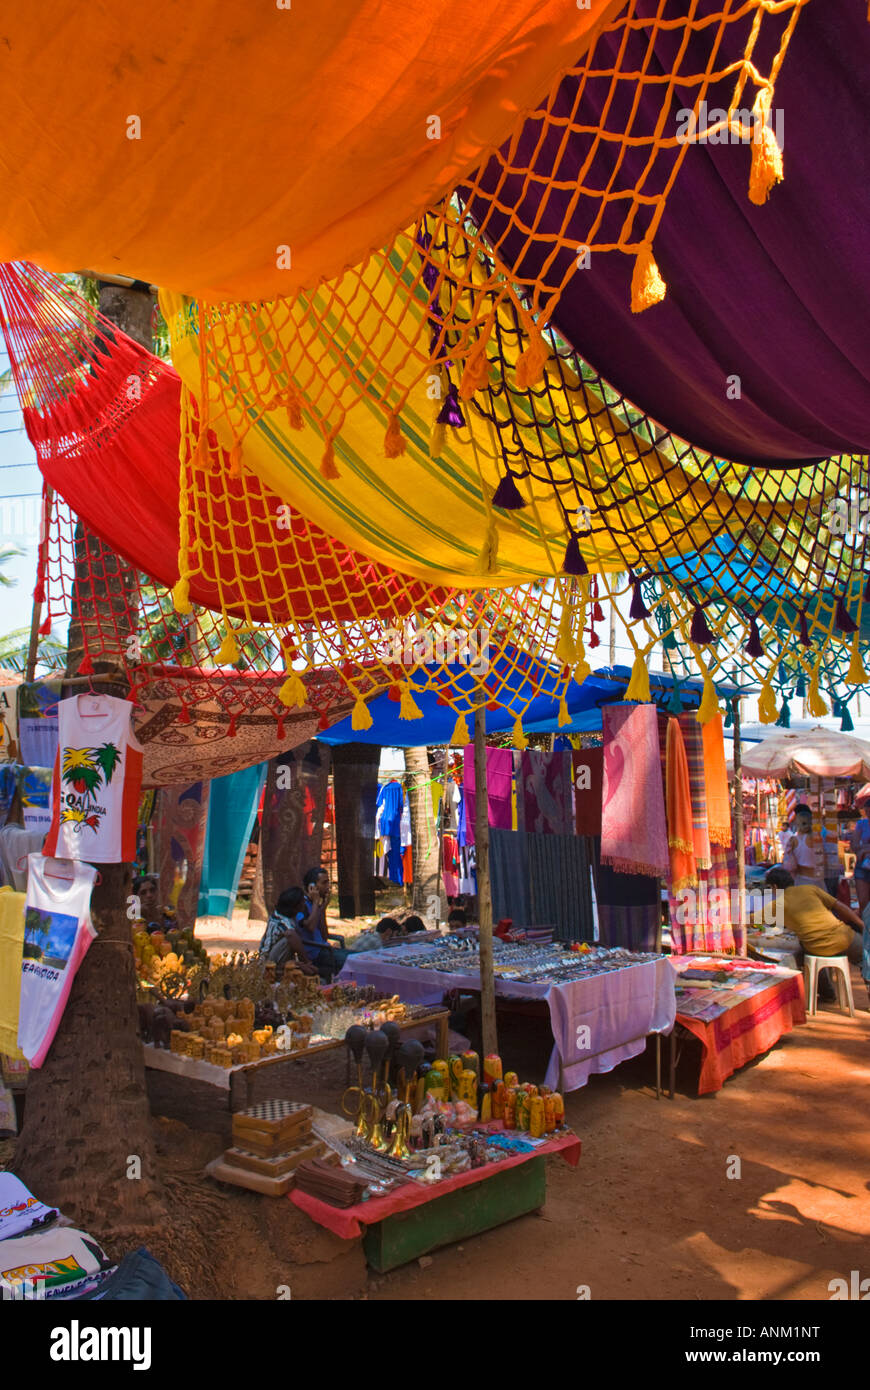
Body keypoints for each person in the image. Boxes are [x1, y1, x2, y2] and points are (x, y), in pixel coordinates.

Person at [765, 867, 864, 965]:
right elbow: (840, 907)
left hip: (818, 949)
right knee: (865, 958)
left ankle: (822, 980)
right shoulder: (810, 889)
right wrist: (862, 924)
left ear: (775, 887)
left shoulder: (777, 905)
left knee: (808, 959)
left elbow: (754, 919)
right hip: (844, 938)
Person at [298, 866, 347, 981]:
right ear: (312, 887)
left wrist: (322, 908)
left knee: (359, 956)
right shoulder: (302, 905)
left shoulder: (315, 906)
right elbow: (310, 927)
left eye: (328, 882)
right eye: (324, 883)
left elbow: (324, 935)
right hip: (315, 954)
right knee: (353, 961)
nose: (328, 886)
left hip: (325, 949)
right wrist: (316, 903)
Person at [258, 887, 319, 975]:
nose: (304, 903)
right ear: (295, 906)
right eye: (302, 901)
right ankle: (305, 964)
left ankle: (297, 965)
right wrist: (306, 962)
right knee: (290, 936)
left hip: (282, 958)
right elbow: (291, 935)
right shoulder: (282, 921)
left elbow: (310, 924)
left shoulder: (292, 917)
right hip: (267, 960)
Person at [781, 804, 826, 886]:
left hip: (801, 880)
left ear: (797, 823)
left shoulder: (793, 841)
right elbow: (824, 859)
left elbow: (788, 866)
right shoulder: (818, 839)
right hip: (818, 881)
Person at [849, 810, 870, 914]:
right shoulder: (861, 824)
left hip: (864, 859)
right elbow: (854, 846)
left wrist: (865, 849)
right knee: (863, 903)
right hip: (863, 865)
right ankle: (865, 928)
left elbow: (859, 848)